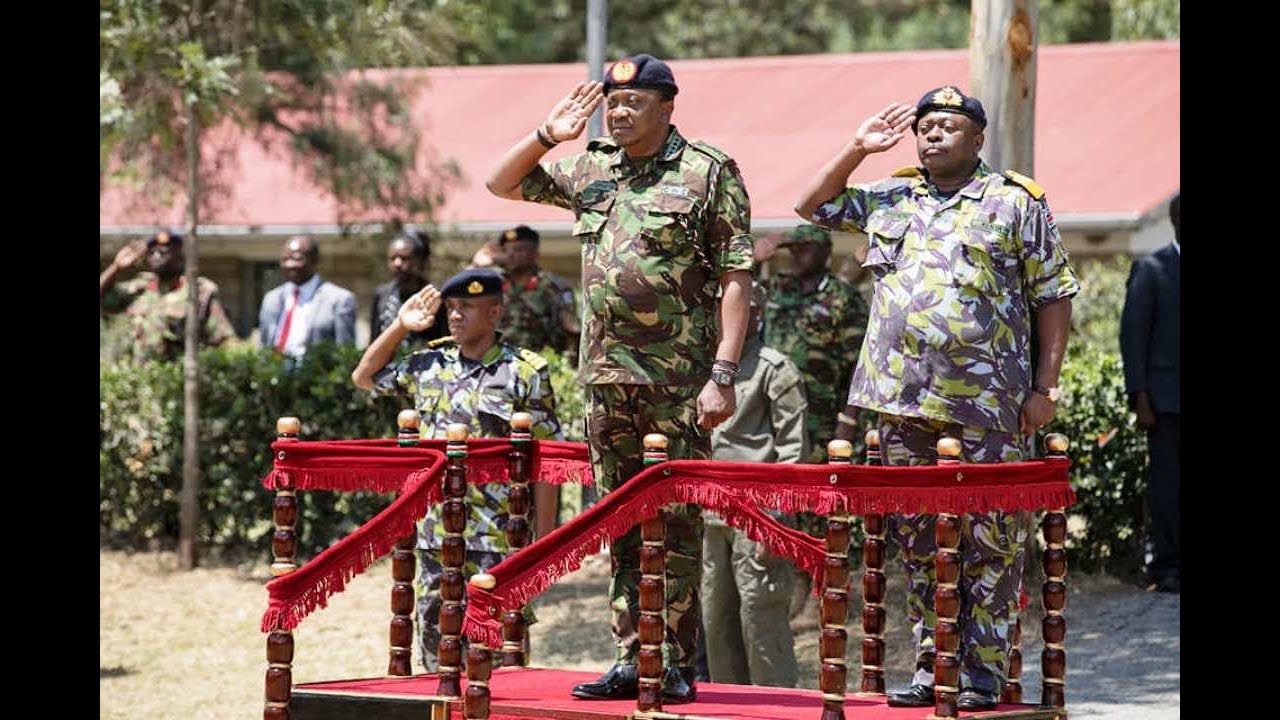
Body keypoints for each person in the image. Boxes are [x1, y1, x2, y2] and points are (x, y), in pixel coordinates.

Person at [794, 86, 1080, 711]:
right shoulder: (889, 196)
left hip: (989, 402)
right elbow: (810, 205)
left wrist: (1045, 387)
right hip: (901, 405)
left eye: (948, 126)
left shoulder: (1013, 202)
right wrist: (856, 148)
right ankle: (934, 665)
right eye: (925, 126)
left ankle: (982, 672)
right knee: (918, 542)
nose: (932, 135)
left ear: (977, 139)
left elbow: (1054, 295)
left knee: (991, 540)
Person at [485, 53, 754, 704]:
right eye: (613, 100)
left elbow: (738, 275)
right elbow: (501, 184)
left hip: (678, 380)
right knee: (618, 521)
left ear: (667, 107)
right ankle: (633, 657)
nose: (619, 110)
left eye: (635, 101)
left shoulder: (707, 172)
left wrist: (723, 372)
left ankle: (678, 661)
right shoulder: (593, 168)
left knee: (678, 519)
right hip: (606, 378)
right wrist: (549, 134)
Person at [351, 267, 563, 671]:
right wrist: (399, 326)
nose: (456, 315)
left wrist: (545, 543)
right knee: (439, 657)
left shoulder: (523, 371)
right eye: (451, 307)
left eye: (467, 306)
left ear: (495, 313)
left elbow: (545, 459)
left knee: (499, 661)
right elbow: (364, 377)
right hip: (437, 535)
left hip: (500, 534)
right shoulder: (428, 364)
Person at [701, 282, 808, 688]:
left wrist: (778, 524)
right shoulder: (704, 370)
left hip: (758, 514)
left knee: (761, 615)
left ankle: (777, 706)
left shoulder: (774, 369)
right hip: (711, 514)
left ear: (754, 315)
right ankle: (730, 706)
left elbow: (793, 454)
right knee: (715, 619)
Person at [1119, 192, 1180, 594]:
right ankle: (1169, 568)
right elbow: (1133, 335)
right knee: (1168, 486)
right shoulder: (1153, 268)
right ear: (1175, 219)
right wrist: (1139, 395)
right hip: (1166, 400)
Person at [100, 230, 237, 363]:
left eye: (164, 252)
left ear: (180, 258)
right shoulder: (139, 289)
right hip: (141, 380)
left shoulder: (198, 293)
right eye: (152, 252)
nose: (156, 256)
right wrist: (116, 267)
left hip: (178, 380)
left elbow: (224, 339)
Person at [258, 235, 357, 359]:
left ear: (315, 261)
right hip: (276, 372)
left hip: (316, 375)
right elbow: (264, 345)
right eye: (285, 259)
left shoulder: (339, 299)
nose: (290, 265)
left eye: (297, 259)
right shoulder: (271, 298)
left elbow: (345, 350)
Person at [495, 225, 580, 358]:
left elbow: (571, 332)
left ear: (535, 254)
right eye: (506, 250)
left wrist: (567, 367)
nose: (510, 255)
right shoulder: (494, 285)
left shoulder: (554, 287)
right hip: (499, 365)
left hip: (542, 364)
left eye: (518, 249)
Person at [371, 230, 449, 352]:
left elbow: (445, 341)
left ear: (419, 261)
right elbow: (374, 340)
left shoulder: (434, 296)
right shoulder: (382, 295)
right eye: (392, 258)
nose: (397, 263)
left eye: (404, 258)